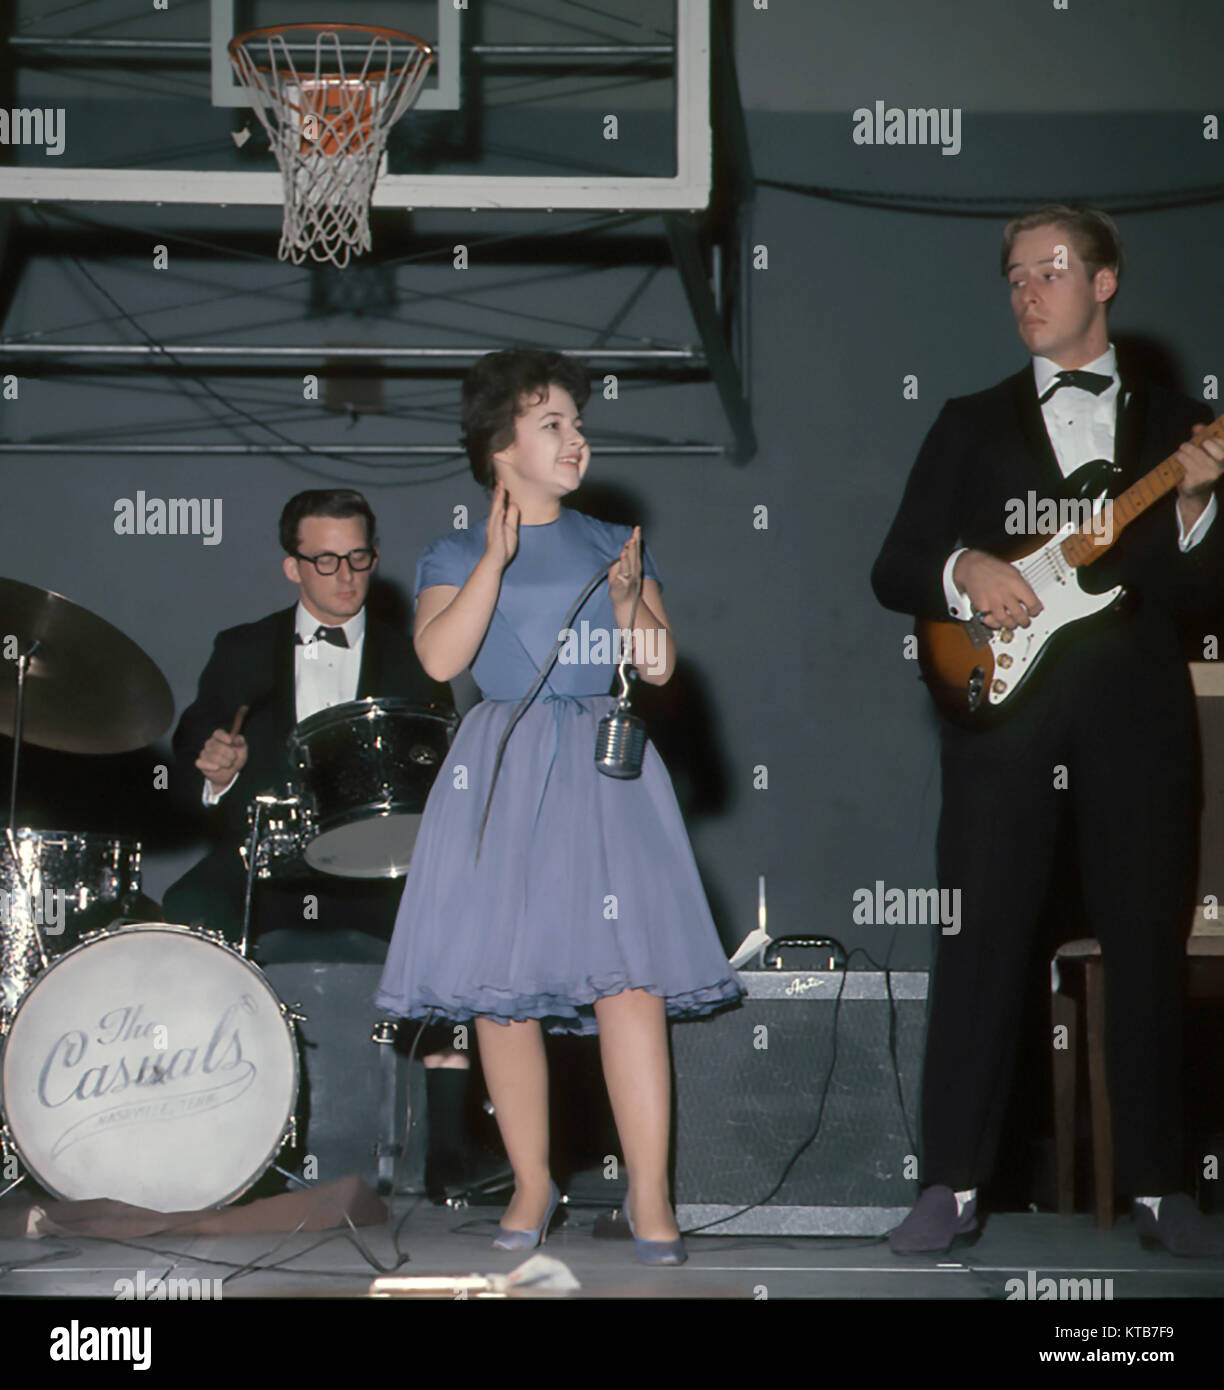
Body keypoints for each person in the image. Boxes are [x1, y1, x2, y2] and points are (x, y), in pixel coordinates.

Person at [872, 206, 1224, 1256]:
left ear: (1106, 281)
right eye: (1015, 276)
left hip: (1138, 717)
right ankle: (952, 1182)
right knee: (981, 942)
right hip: (1003, 721)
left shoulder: (1178, 423)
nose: (1028, 291)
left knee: (1148, 940)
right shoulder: (969, 422)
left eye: (1053, 270)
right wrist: (964, 570)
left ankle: (1164, 1185)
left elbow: (1202, 592)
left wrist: (1197, 511)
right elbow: (895, 565)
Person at [375, 348, 743, 1264]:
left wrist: (629, 605)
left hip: (601, 773)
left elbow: (656, 665)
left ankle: (652, 1195)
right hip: (500, 770)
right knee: (502, 996)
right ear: (501, 449)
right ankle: (533, 1184)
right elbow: (439, 660)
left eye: (578, 424)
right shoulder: (454, 552)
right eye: (554, 425)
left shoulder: (614, 538)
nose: (577, 439)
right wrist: (493, 566)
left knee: (628, 986)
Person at [165, 489, 472, 1199]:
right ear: (291, 566)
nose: (344, 575)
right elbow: (189, 761)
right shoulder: (240, 650)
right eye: (325, 559)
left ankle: (450, 1150)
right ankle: (198, 1128)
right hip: (264, 865)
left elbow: (445, 775)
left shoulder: (418, 656)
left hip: (378, 869)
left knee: (455, 923)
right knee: (186, 909)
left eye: (358, 557)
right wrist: (214, 773)